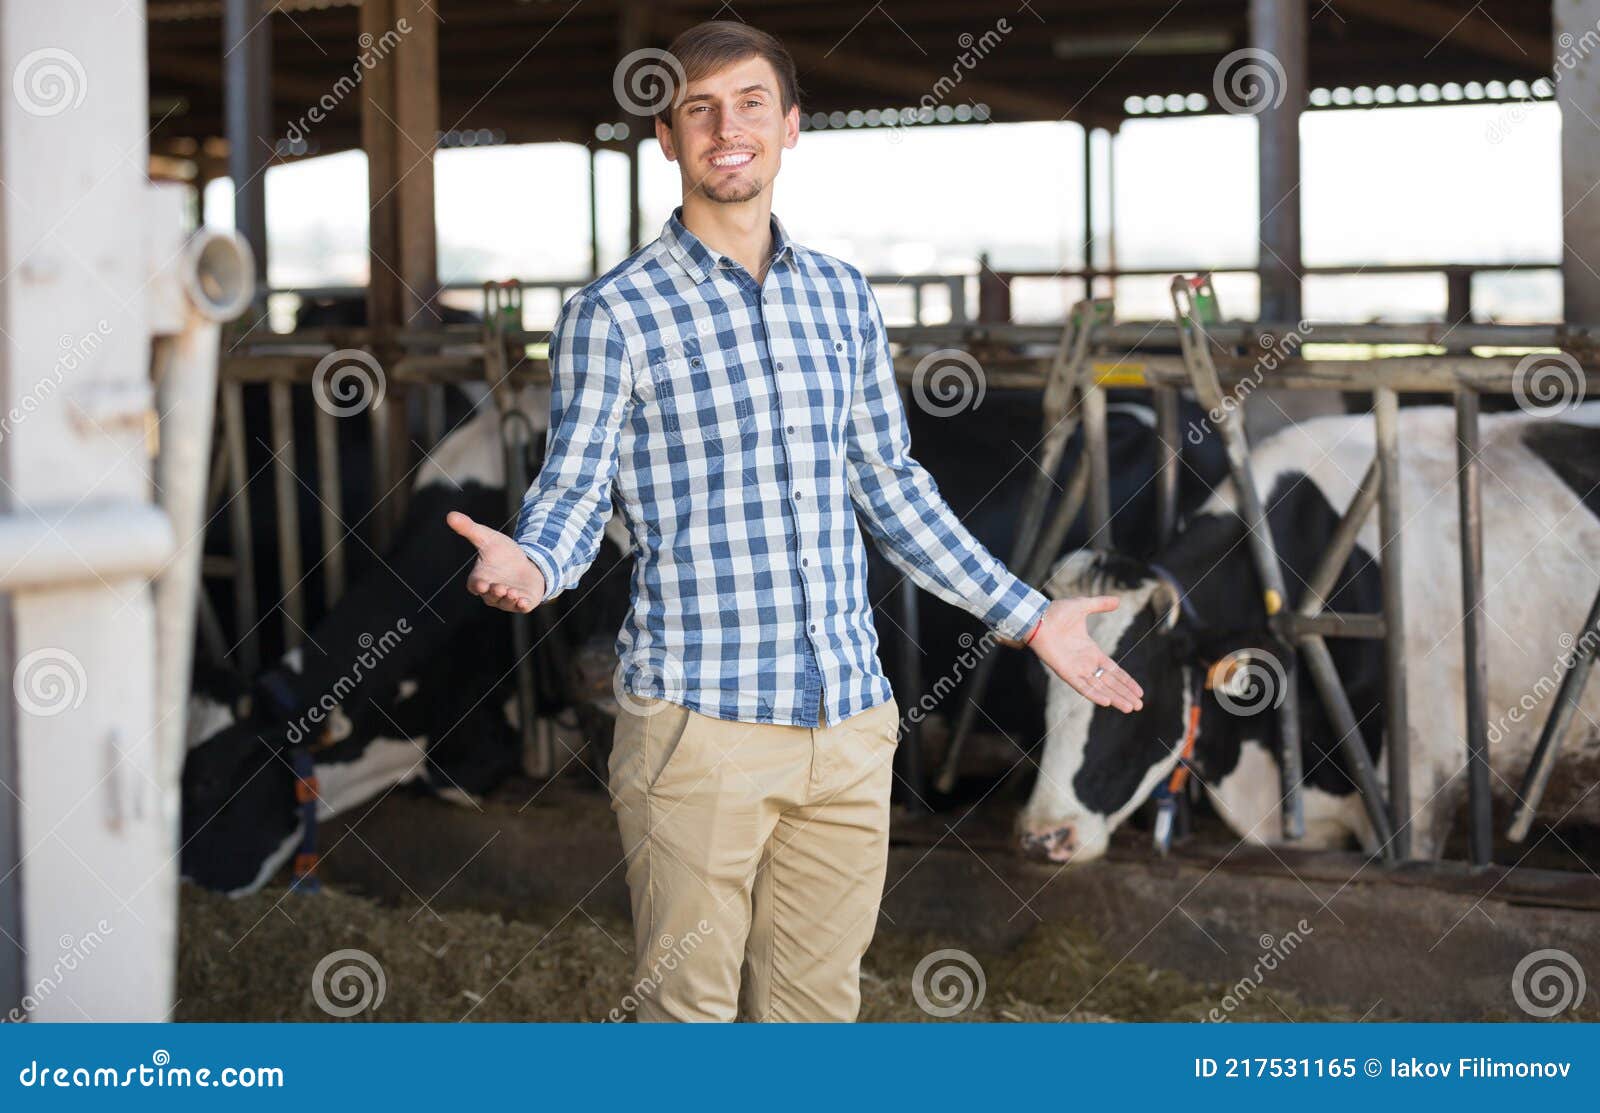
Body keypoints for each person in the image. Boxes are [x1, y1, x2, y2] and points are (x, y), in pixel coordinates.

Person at [446, 19, 1141, 1022]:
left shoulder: (840, 296)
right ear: (667, 137)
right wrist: (538, 562)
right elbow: (575, 490)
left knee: (817, 1013)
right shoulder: (614, 313)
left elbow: (891, 486)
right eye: (699, 109)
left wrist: (1031, 616)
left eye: (750, 104)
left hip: (850, 721)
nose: (727, 128)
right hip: (700, 725)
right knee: (685, 1016)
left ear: (791, 126)